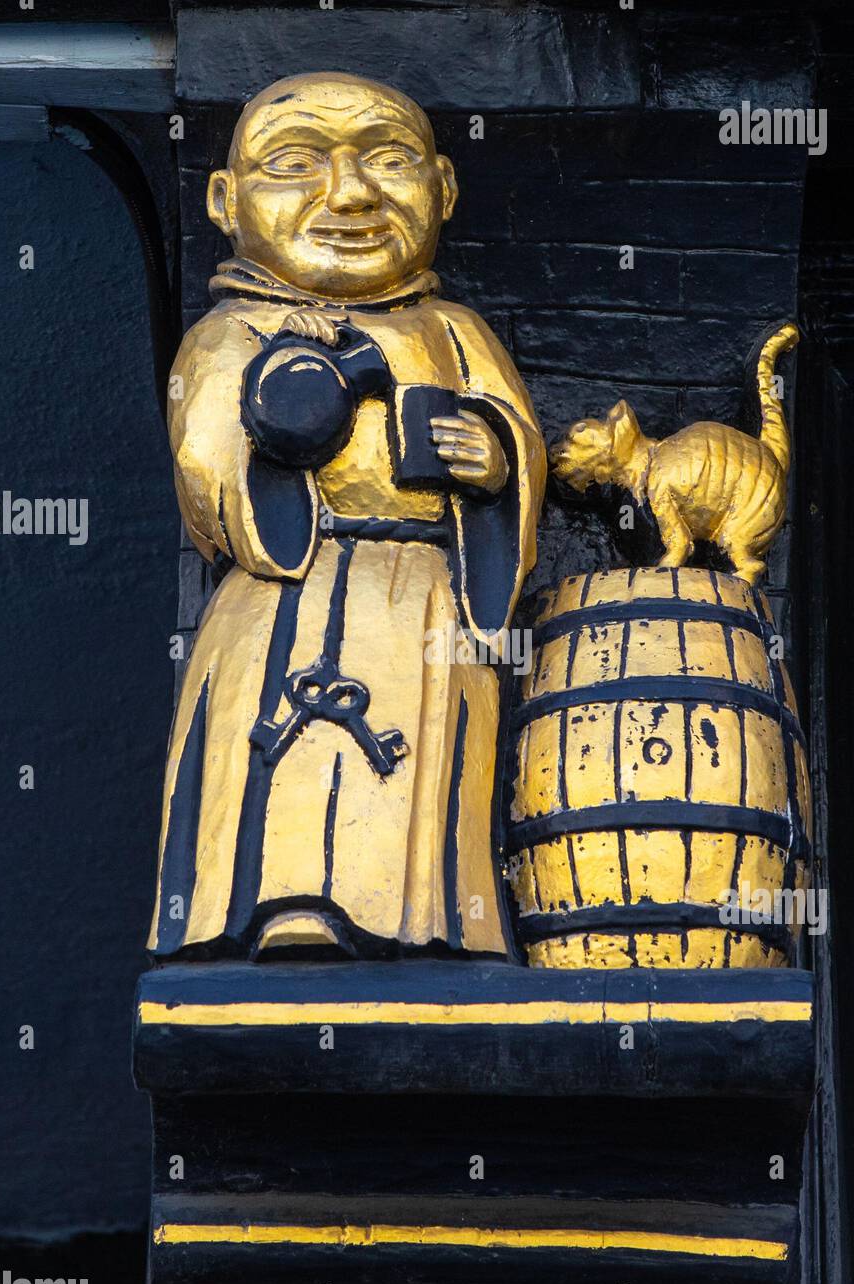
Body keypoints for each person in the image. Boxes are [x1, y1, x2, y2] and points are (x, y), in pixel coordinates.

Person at [148, 72, 546, 960]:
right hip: (287, 595)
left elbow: (515, 437)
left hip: (431, 601)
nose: (351, 192)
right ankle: (278, 910)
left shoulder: (454, 331)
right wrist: (285, 418)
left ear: (444, 188)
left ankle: (442, 917)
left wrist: (493, 464)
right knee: (291, 748)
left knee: (436, 749)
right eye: (294, 162)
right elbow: (209, 459)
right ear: (224, 200)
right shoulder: (231, 333)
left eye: (389, 158)